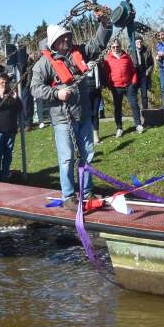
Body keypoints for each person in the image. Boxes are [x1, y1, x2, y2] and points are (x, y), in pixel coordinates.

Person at [30, 13, 111, 210]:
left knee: (87, 154)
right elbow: (35, 88)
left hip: (83, 114)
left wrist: (105, 23)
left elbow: (97, 43)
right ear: (54, 43)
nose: (67, 40)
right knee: (67, 158)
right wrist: (56, 93)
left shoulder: (79, 52)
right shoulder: (44, 64)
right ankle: (68, 196)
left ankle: (87, 190)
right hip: (63, 119)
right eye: (62, 39)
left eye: (68, 37)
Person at [0, 73, 23, 180]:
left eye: (6, 82)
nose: (4, 84)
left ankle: (5, 172)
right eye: (2, 82)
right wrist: (1, 96)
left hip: (10, 128)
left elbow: (20, 109)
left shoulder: (12, 94)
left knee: (8, 152)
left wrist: (16, 99)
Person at [104, 39, 143, 135]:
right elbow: (106, 74)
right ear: (111, 48)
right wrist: (110, 85)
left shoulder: (126, 57)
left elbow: (133, 71)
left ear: (120, 46)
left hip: (129, 85)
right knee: (118, 107)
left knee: (134, 104)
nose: (116, 48)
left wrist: (134, 82)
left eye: (117, 46)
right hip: (116, 87)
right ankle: (119, 128)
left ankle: (138, 124)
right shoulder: (108, 59)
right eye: (113, 47)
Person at [134, 37, 154, 110]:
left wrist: (147, 72)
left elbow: (151, 63)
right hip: (135, 74)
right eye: (137, 42)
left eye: (140, 42)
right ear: (135, 43)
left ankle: (145, 110)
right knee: (134, 94)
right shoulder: (131, 51)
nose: (139, 43)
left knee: (144, 94)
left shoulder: (147, 51)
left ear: (142, 42)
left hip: (144, 74)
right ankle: (136, 110)